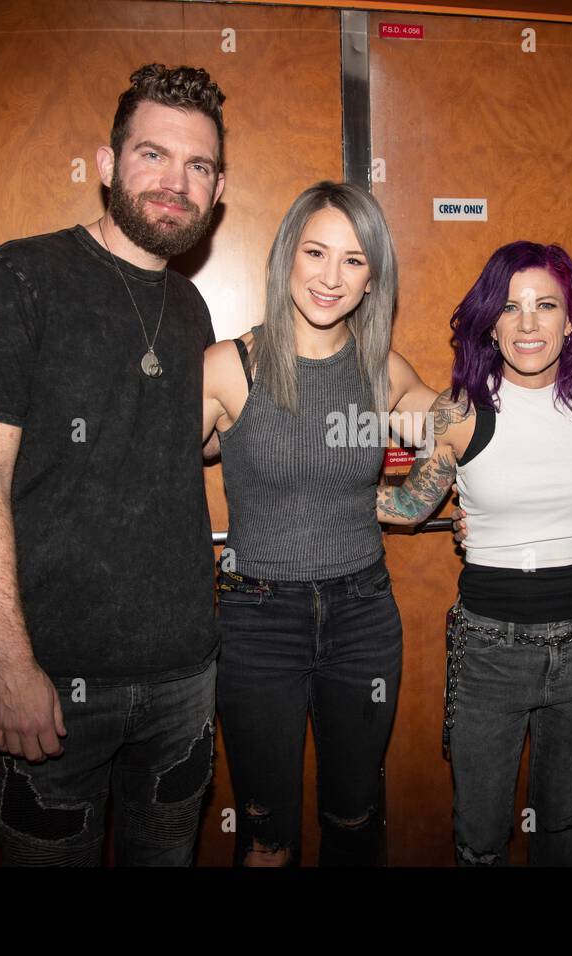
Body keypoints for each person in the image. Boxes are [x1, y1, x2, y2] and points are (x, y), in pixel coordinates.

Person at [0, 64, 227, 866]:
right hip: (55, 686)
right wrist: (10, 665)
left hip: (183, 681)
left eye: (197, 166)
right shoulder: (22, 275)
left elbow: (163, 444)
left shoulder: (190, 307)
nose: (176, 183)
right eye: (153, 155)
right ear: (107, 164)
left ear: (218, 187)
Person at [201, 180, 438, 866]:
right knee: (267, 837)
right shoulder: (228, 367)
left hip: (363, 617)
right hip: (257, 622)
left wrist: (410, 499)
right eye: (316, 252)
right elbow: (149, 478)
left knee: (355, 819)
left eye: (355, 260)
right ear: (286, 258)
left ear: (373, 279)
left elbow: (454, 423)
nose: (331, 277)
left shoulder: (381, 371)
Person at [377, 241, 572, 866]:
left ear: (571, 320)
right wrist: (314, 478)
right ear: (490, 321)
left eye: (546, 306)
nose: (529, 323)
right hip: (491, 647)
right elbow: (406, 508)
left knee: (562, 821)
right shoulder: (459, 411)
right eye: (510, 308)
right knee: (480, 834)